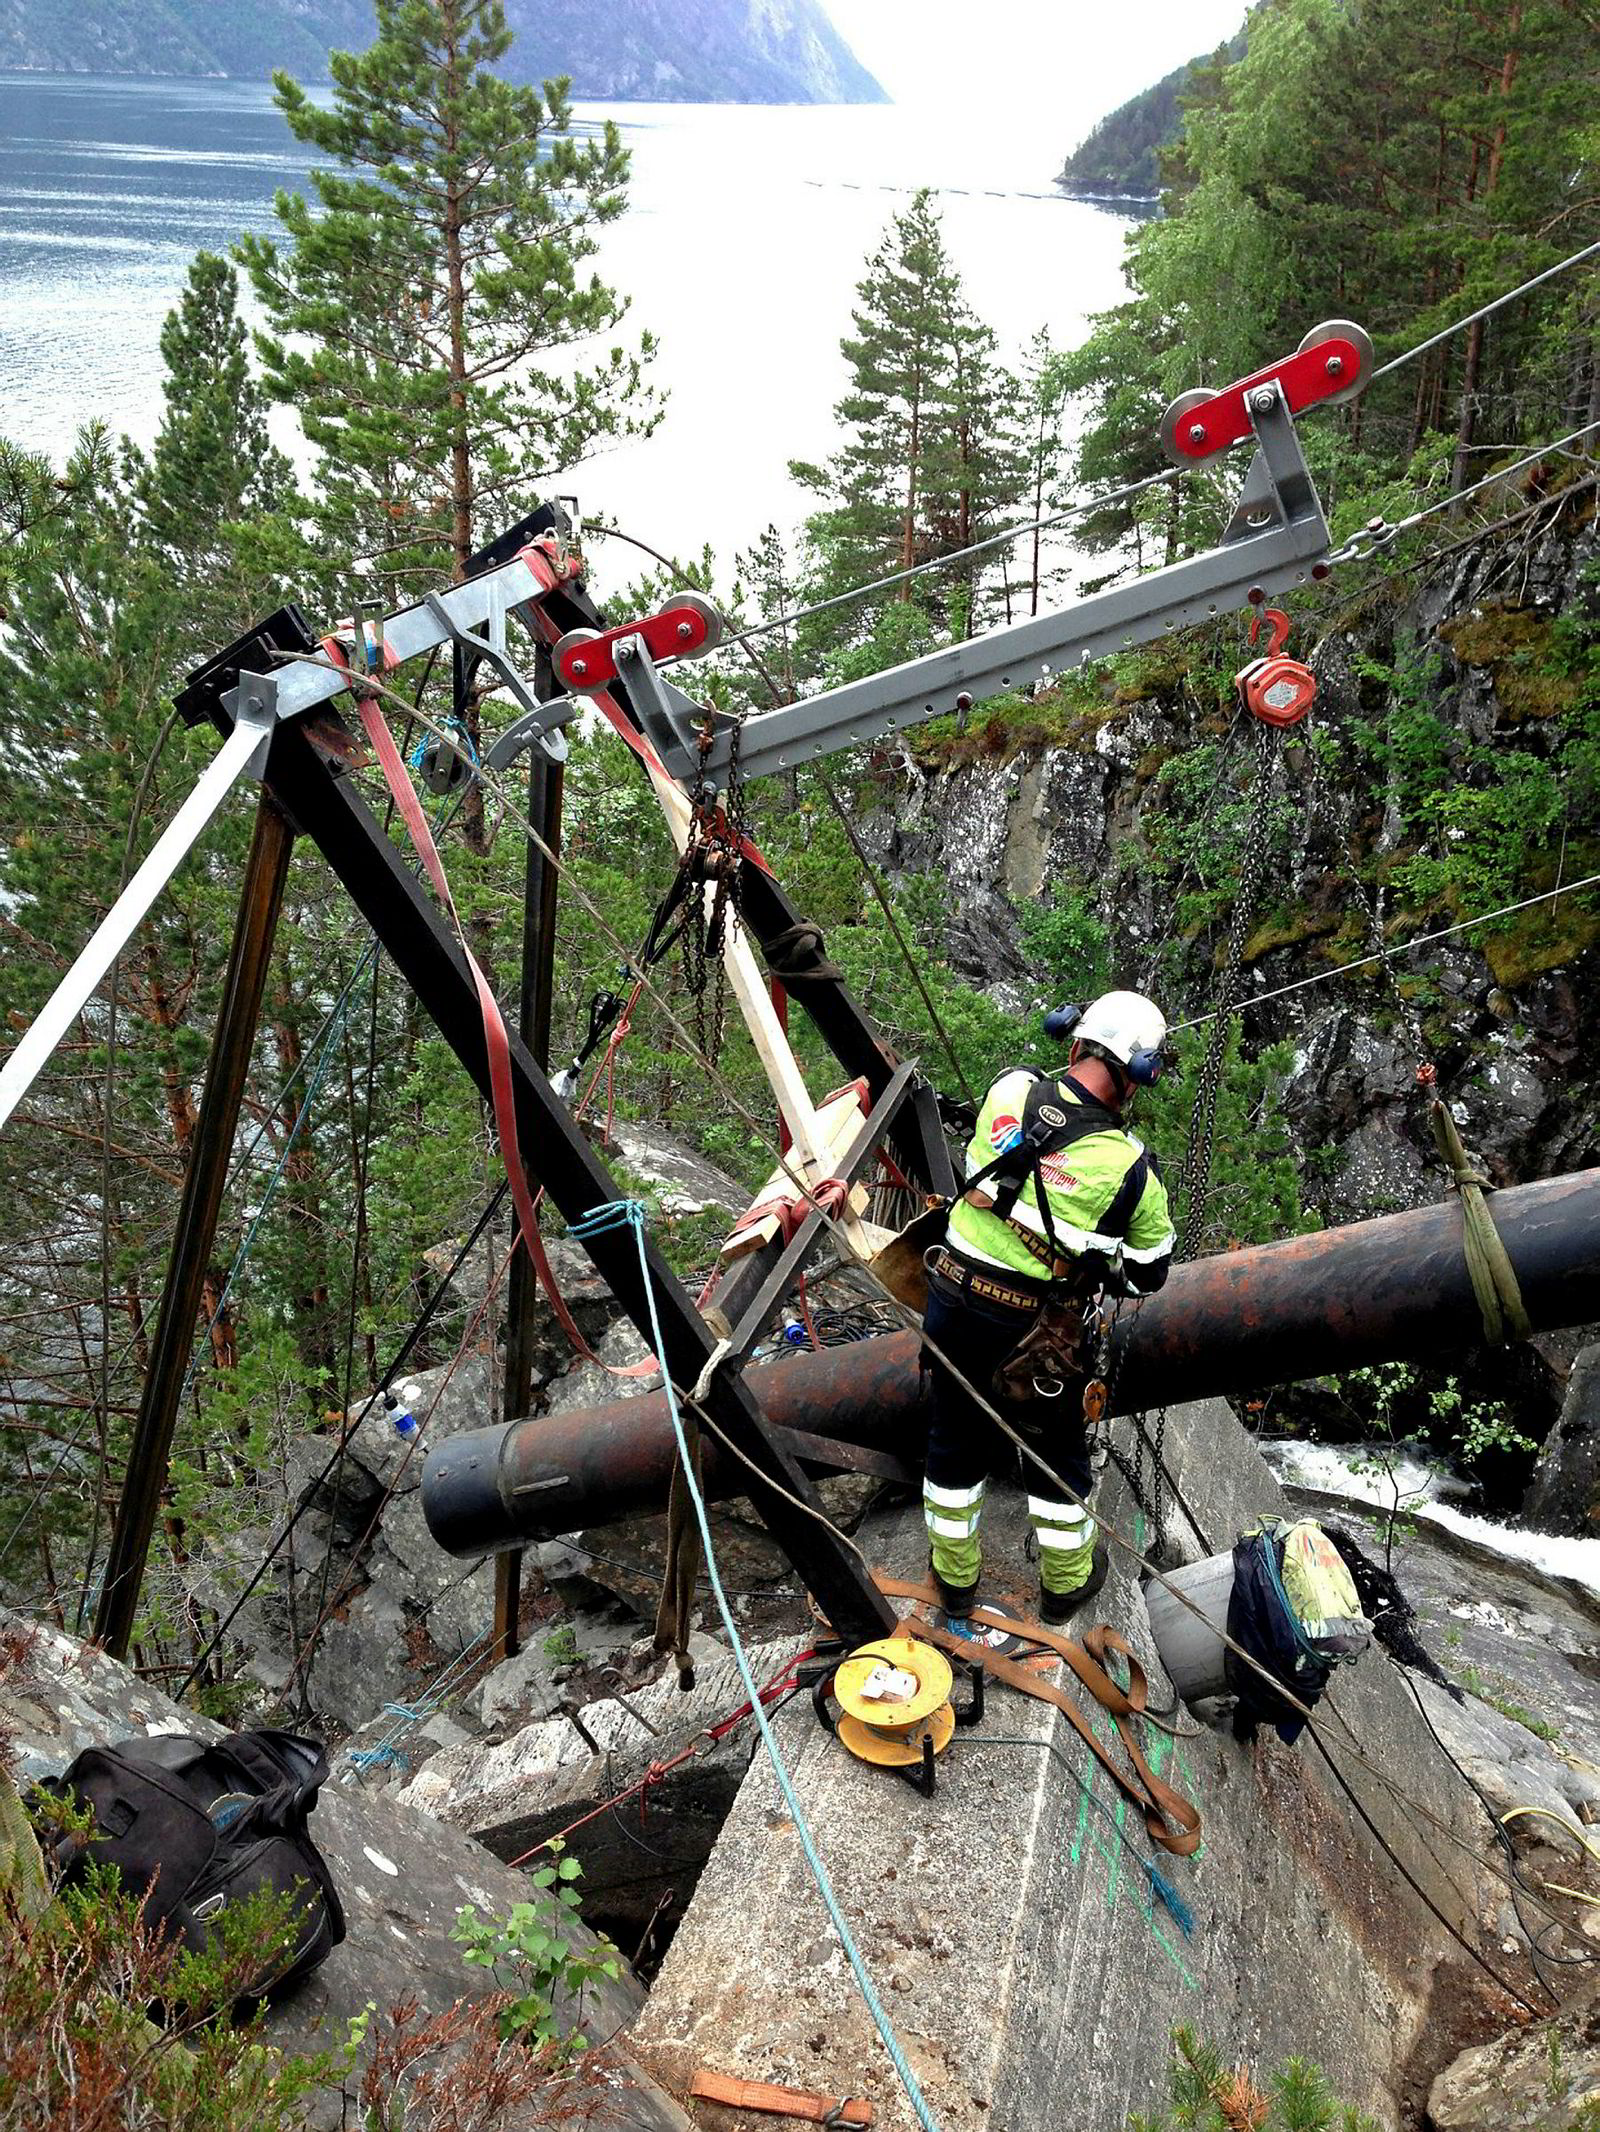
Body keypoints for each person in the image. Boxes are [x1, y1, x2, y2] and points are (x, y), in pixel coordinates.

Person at [921, 990, 1176, 1625]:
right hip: (1033, 1329)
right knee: (1053, 1451)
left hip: (951, 1295)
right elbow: (1147, 1278)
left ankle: (955, 1583)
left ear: (1076, 1044)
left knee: (952, 1438)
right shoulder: (1131, 1170)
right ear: (1137, 1076)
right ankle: (1066, 1585)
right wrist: (1095, 1259)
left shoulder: (1010, 1089)